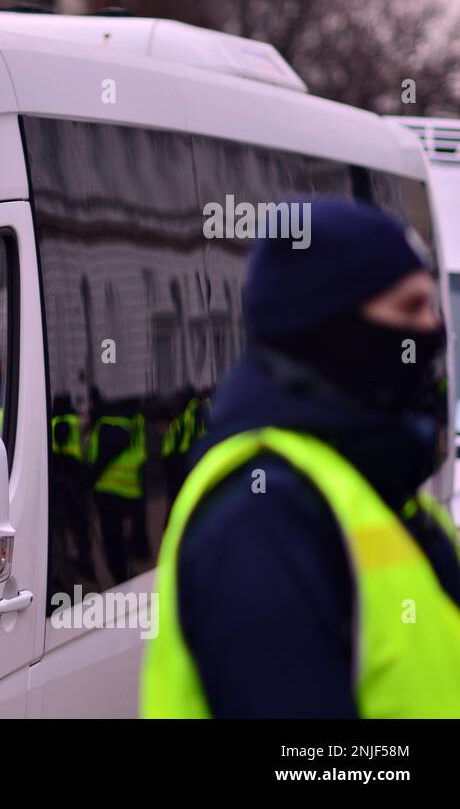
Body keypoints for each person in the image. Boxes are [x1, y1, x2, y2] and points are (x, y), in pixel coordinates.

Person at [142, 199, 460, 718]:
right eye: (410, 308)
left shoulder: (380, 488)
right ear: (328, 326)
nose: (433, 330)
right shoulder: (261, 513)